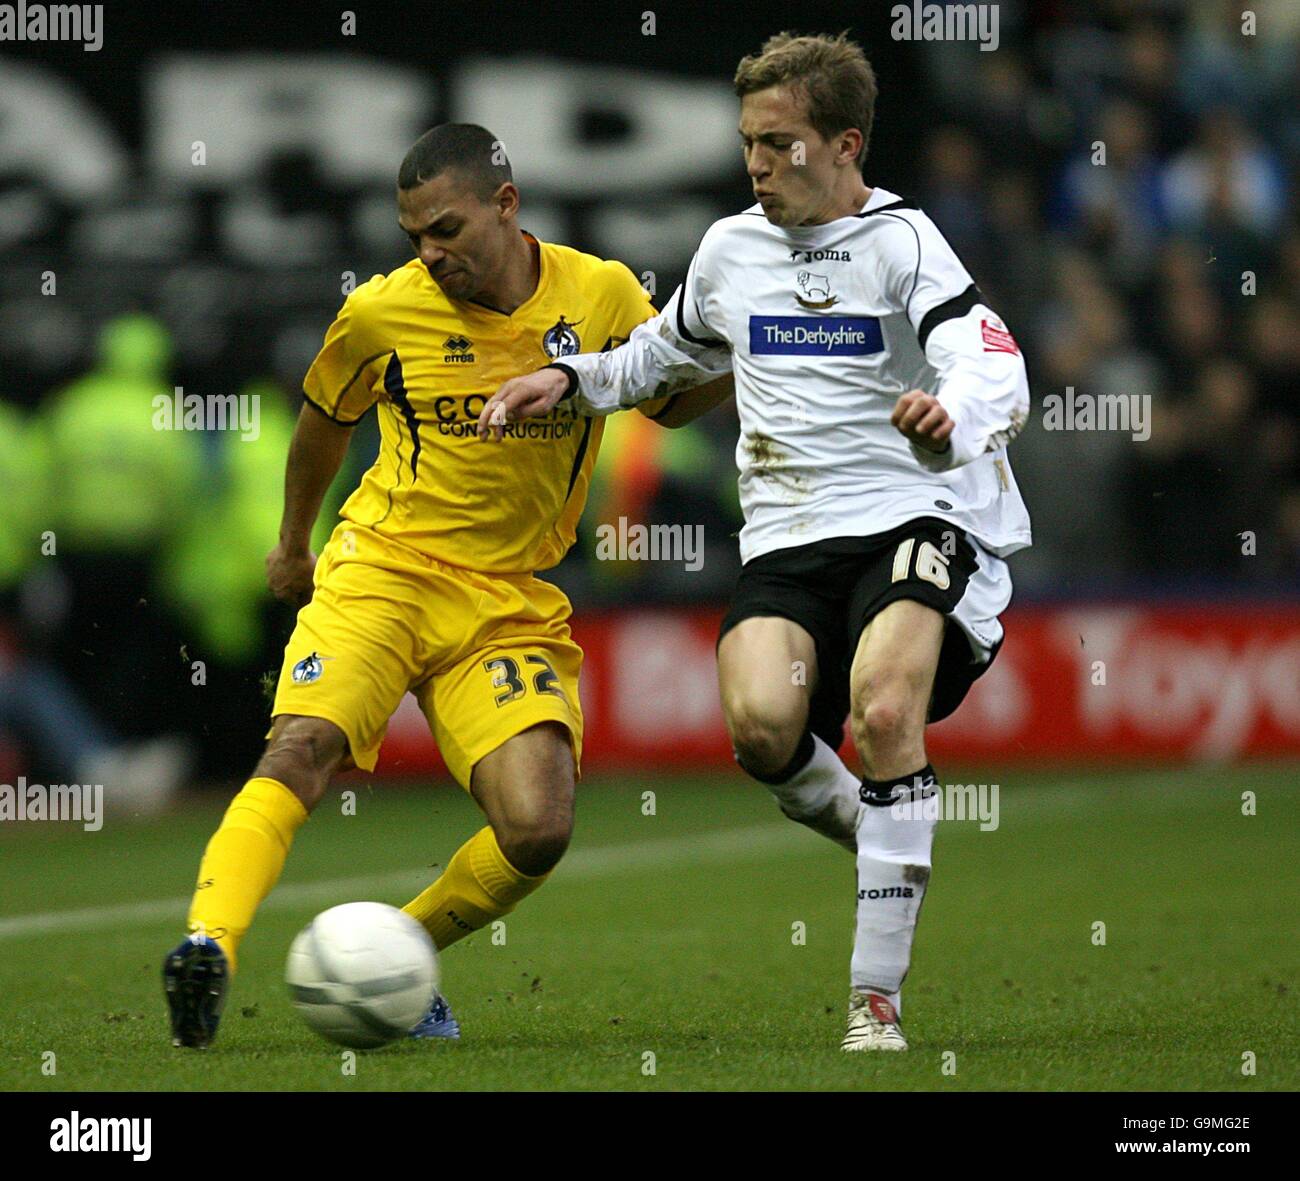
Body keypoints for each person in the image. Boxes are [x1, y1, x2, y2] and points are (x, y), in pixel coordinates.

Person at [480, 32, 1032, 1052]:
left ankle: (874, 1000)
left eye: (778, 143)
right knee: (759, 729)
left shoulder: (905, 243)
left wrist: (950, 413)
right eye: (748, 143)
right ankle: (886, 841)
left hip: (916, 516)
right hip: (787, 535)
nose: (757, 164)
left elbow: (988, 355)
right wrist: (568, 379)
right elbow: (661, 356)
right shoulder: (730, 249)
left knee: (880, 705)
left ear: (845, 142)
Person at [162, 122, 729, 1049]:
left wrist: (731, 359)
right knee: (302, 746)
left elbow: (665, 400)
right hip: (383, 569)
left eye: (446, 229)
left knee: (538, 828)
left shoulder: (604, 293)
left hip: (507, 600)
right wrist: (292, 543)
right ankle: (207, 946)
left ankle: (399, 949)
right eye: (414, 235)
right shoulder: (383, 312)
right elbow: (322, 419)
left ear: (506, 206)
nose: (429, 252)